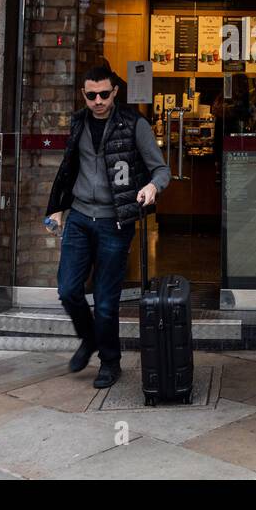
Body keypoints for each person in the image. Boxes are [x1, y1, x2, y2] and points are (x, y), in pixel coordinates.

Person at [45, 65, 170, 389]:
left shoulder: (134, 125)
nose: (98, 100)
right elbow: (68, 169)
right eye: (91, 95)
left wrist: (153, 187)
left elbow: (161, 169)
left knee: (104, 299)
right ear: (83, 94)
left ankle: (109, 362)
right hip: (80, 218)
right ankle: (89, 338)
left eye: (104, 94)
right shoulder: (78, 122)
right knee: (68, 290)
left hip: (115, 222)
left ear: (114, 92)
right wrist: (57, 210)